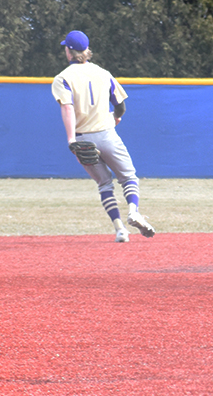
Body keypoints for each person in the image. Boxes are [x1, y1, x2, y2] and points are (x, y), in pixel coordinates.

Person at [51, 30, 157, 243]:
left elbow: (68, 109)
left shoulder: (63, 78)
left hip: (83, 139)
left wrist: (71, 139)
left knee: (104, 184)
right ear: (86, 51)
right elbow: (120, 105)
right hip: (107, 134)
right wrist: (116, 118)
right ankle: (134, 212)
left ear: (69, 51)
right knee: (128, 177)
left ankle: (119, 229)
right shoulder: (103, 73)